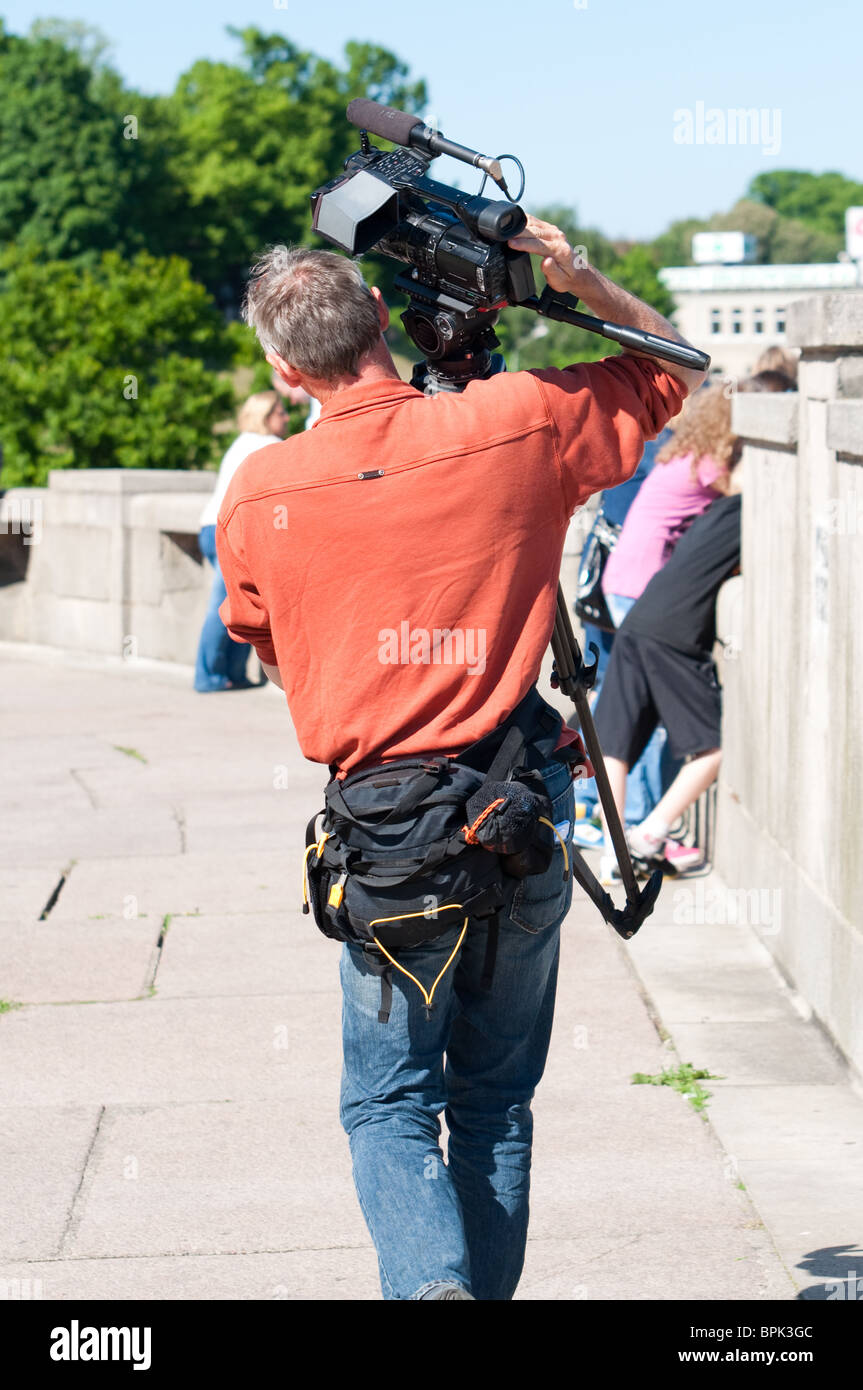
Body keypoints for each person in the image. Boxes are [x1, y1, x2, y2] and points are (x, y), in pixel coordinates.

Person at [215, 220, 706, 1300]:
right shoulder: (518, 420)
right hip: (518, 810)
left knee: (388, 1105)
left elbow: (257, 632)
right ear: (384, 318)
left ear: (284, 368)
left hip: (390, 844)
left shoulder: (261, 494)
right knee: (490, 1104)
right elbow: (674, 371)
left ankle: (429, 1290)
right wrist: (572, 283)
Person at [594, 371, 793, 873]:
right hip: (658, 603)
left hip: (637, 597)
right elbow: (753, 490)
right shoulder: (718, 471)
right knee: (697, 740)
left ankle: (616, 846)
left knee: (619, 735)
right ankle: (647, 832)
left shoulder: (685, 452)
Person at [194, 391, 287, 692]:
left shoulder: (241, 443)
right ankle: (208, 676)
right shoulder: (270, 446)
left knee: (239, 603)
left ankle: (230, 675)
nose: (286, 418)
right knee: (229, 607)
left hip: (211, 527)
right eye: (281, 413)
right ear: (266, 416)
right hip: (232, 532)